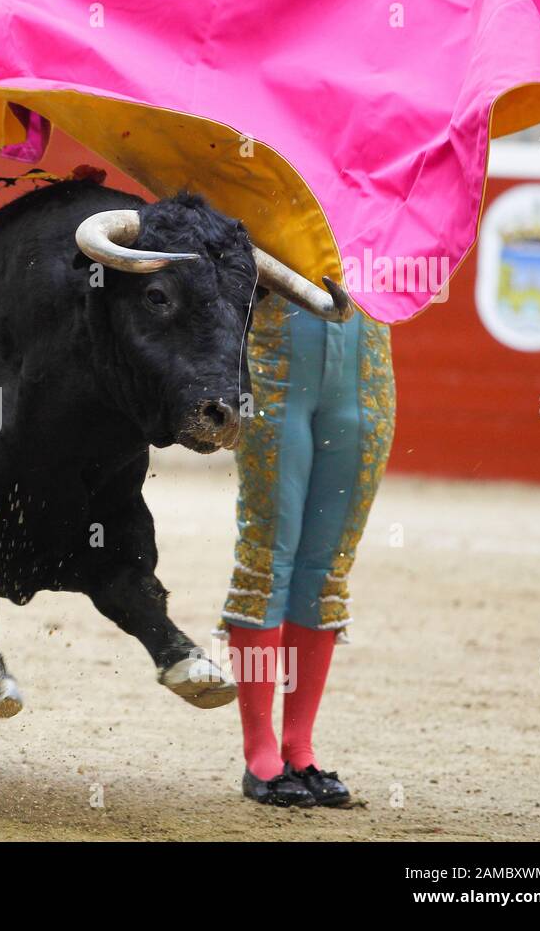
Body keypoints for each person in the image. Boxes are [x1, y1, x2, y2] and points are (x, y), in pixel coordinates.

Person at [218, 295, 395, 806]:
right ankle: (260, 752)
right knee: (267, 558)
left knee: (327, 565)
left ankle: (301, 746)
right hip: (276, 371)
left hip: (365, 377)